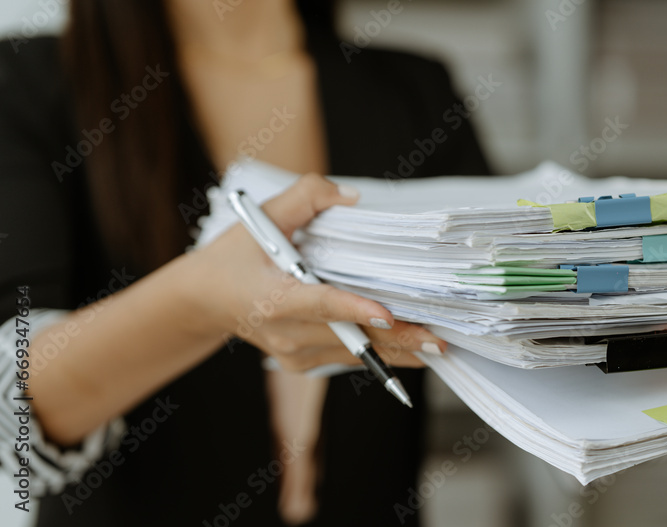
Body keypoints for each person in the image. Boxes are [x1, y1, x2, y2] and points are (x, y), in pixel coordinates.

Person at [0, 0, 490, 525]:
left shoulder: (418, 90)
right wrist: (198, 304)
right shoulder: (28, 81)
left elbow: (500, 318)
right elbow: (13, 415)